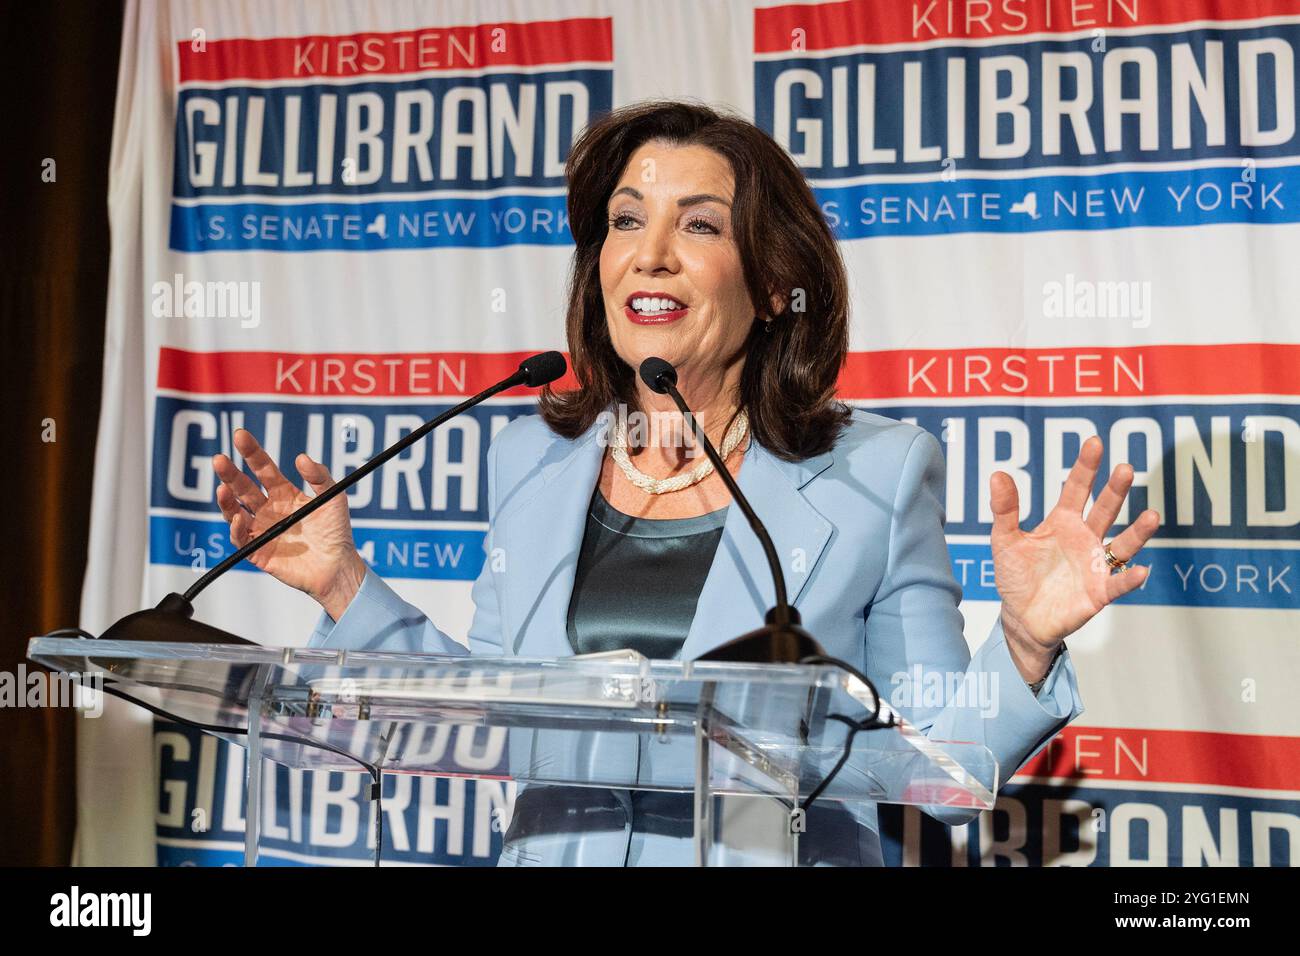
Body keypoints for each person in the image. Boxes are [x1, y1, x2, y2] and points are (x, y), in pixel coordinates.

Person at [212, 100, 1159, 866]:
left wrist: (1025, 643)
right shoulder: (533, 466)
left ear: (776, 279)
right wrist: (342, 584)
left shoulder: (875, 473)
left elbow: (942, 779)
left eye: (697, 224)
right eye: (626, 220)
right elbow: (487, 714)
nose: (648, 251)